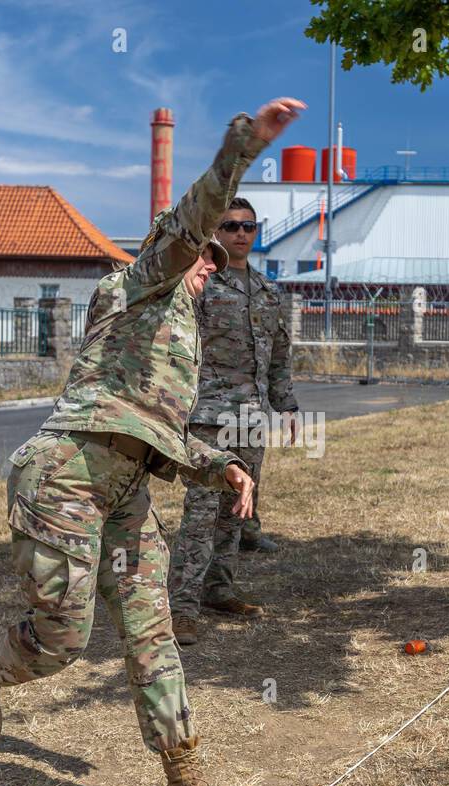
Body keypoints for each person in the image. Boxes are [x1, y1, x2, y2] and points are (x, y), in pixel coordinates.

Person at [0, 98, 305, 786]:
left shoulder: (177, 331)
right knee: (62, 643)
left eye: (218, 259)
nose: (213, 267)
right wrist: (243, 147)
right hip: (65, 479)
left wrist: (226, 469)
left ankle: (184, 782)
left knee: (154, 637)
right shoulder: (142, 284)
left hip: (124, 494)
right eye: (209, 254)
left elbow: (162, 431)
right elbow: (190, 220)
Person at [167, 197, 299, 644]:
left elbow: (279, 354)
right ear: (217, 233)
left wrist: (288, 405)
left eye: (249, 226)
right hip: (207, 415)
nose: (241, 233)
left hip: (251, 418)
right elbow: (179, 346)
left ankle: (218, 590)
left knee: (234, 513)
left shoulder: (268, 291)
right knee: (201, 514)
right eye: (231, 226)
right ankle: (181, 607)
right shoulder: (203, 284)